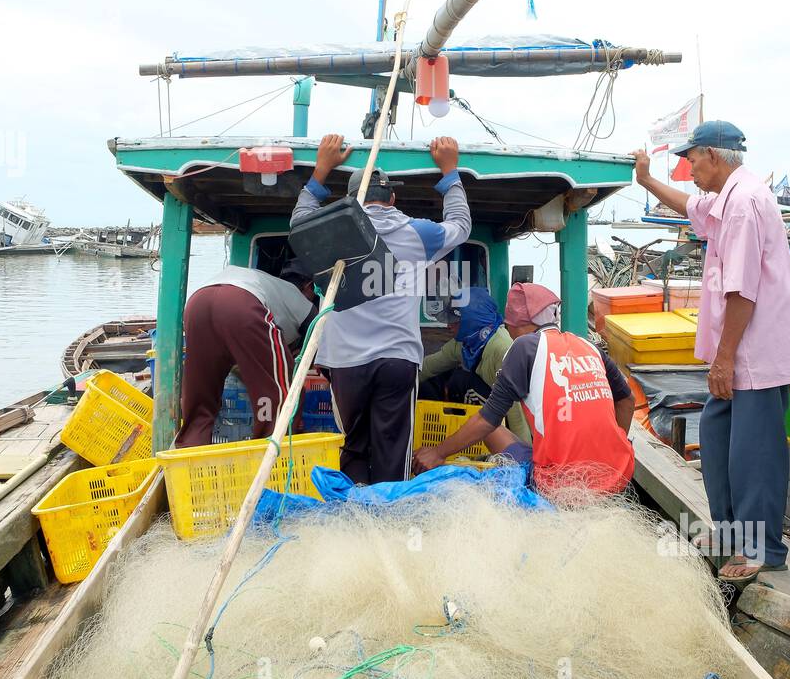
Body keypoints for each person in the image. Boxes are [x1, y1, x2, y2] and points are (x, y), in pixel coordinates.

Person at [633, 121, 790, 580]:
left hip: (756, 351)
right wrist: (647, 181)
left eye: (690, 160)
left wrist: (726, 357)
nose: (686, 169)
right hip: (738, 349)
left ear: (712, 155)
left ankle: (761, 548)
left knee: (755, 451)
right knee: (716, 435)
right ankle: (731, 531)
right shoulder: (729, 197)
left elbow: (743, 291)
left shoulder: (745, 204)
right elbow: (691, 206)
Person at [292, 134, 471, 484]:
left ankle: (357, 516)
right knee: (392, 450)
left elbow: (299, 223)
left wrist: (321, 171)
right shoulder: (417, 232)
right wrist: (450, 172)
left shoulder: (329, 231)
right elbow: (461, 226)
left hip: (345, 363)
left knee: (354, 447)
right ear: (392, 197)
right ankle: (388, 521)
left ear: (351, 199)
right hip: (396, 359)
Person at [413, 282, 636, 496]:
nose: (508, 332)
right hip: (617, 472)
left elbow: (486, 421)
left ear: (518, 324)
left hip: (560, 485)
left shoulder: (524, 347)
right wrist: (616, 444)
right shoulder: (588, 345)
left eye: (509, 326)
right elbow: (627, 401)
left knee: (489, 429)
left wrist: (437, 452)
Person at [175, 259, 318, 448]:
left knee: (200, 393)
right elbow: (318, 335)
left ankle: (190, 455)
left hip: (197, 303)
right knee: (284, 390)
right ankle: (272, 453)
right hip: (241, 304)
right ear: (309, 287)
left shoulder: (265, 283)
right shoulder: (298, 297)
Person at [418, 286, 531, 444]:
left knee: (461, 381)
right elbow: (428, 368)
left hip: (511, 416)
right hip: (496, 408)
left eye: (455, 321)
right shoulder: (465, 343)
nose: (449, 326)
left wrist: (526, 458)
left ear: (471, 322)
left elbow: (516, 411)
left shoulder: (501, 348)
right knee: (432, 381)